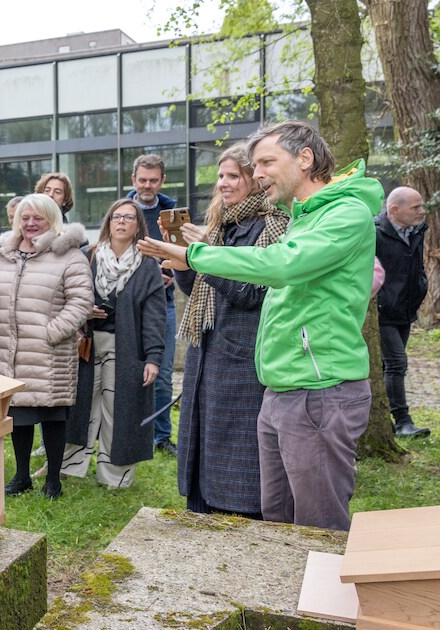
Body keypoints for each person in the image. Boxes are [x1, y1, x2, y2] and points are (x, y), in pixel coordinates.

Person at [139, 121, 382, 531]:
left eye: (267, 162)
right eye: (254, 165)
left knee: (317, 528)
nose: (259, 173)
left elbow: (279, 266)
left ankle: (321, 579)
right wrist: (193, 258)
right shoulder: (301, 217)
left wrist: (198, 254)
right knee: (276, 525)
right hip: (281, 388)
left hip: (320, 389)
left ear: (305, 158)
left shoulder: (345, 213)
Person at [173, 144, 289, 519]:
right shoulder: (221, 225)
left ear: (254, 180)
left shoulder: (273, 226)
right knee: (206, 448)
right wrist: (184, 260)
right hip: (208, 354)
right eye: (220, 176)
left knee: (240, 456)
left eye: (233, 176)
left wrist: (204, 255)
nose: (223, 183)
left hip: (244, 361)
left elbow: (251, 292)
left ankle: (243, 521)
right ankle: (206, 512)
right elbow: (198, 289)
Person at [0, 194, 92, 498]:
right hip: (9, 350)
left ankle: (53, 480)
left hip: (49, 352)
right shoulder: (5, 254)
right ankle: (22, 477)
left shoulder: (69, 256)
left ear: (52, 220)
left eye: (38, 218)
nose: (30, 224)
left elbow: (81, 301)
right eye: (25, 217)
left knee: (52, 414)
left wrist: (51, 332)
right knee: (18, 415)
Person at [61, 199, 165, 489]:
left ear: (138, 225)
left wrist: (153, 358)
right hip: (86, 345)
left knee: (118, 409)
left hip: (126, 348)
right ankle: (68, 466)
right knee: (79, 407)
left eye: (129, 218)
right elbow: (65, 296)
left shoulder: (147, 266)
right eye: (116, 216)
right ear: (108, 222)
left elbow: (155, 316)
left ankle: (115, 476)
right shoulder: (88, 257)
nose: (121, 222)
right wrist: (85, 310)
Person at [125, 154, 178, 455]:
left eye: (153, 180)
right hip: (129, 305)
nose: (147, 185)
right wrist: (147, 272)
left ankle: (161, 436)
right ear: (133, 179)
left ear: (162, 181)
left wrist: (173, 272)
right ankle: (132, 432)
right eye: (142, 180)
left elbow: (185, 252)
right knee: (131, 372)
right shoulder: (121, 212)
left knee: (163, 374)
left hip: (164, 304)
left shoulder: (173, 213)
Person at [376, 186, 431, 438]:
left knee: (389, 365)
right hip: (384, 312)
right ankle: (402, 421)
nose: (422, 211)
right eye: (415, 207)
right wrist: (382, 300)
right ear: (394, 210)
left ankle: (385, 418)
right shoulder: (375, 233)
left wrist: (420, 288)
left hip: (406, 310)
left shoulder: (416, 230)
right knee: (397, 363)